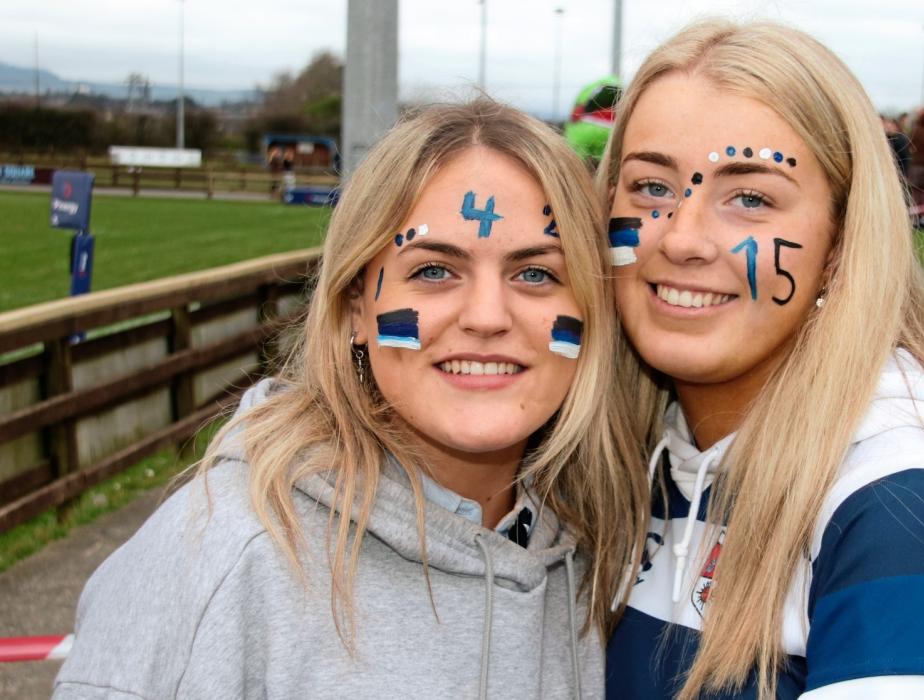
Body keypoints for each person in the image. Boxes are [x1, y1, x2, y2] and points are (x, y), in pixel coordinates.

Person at [54, 99, 642, 699]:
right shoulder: (216, 555)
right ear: (356, 306)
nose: (488, 317)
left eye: (537, 274)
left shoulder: (604, 552)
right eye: (435, 270)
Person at [599, 19, 924, 700]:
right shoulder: (639, 456)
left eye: (750, 197)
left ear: (840, 246)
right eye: (651, 188)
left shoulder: (910, 508)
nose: (683, 238)